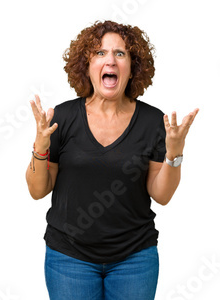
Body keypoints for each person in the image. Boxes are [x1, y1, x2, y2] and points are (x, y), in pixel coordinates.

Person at [25, 20, 198, 300]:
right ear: (87, 65)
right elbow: (37, 190)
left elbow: (161, 195)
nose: (111, 60)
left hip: (134, 259)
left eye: (120, 54)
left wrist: (174, 153)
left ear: (133, 68)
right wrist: (41, 146)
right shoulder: (62, 119)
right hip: (69, 258)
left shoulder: (154, 121)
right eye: (100, 53)